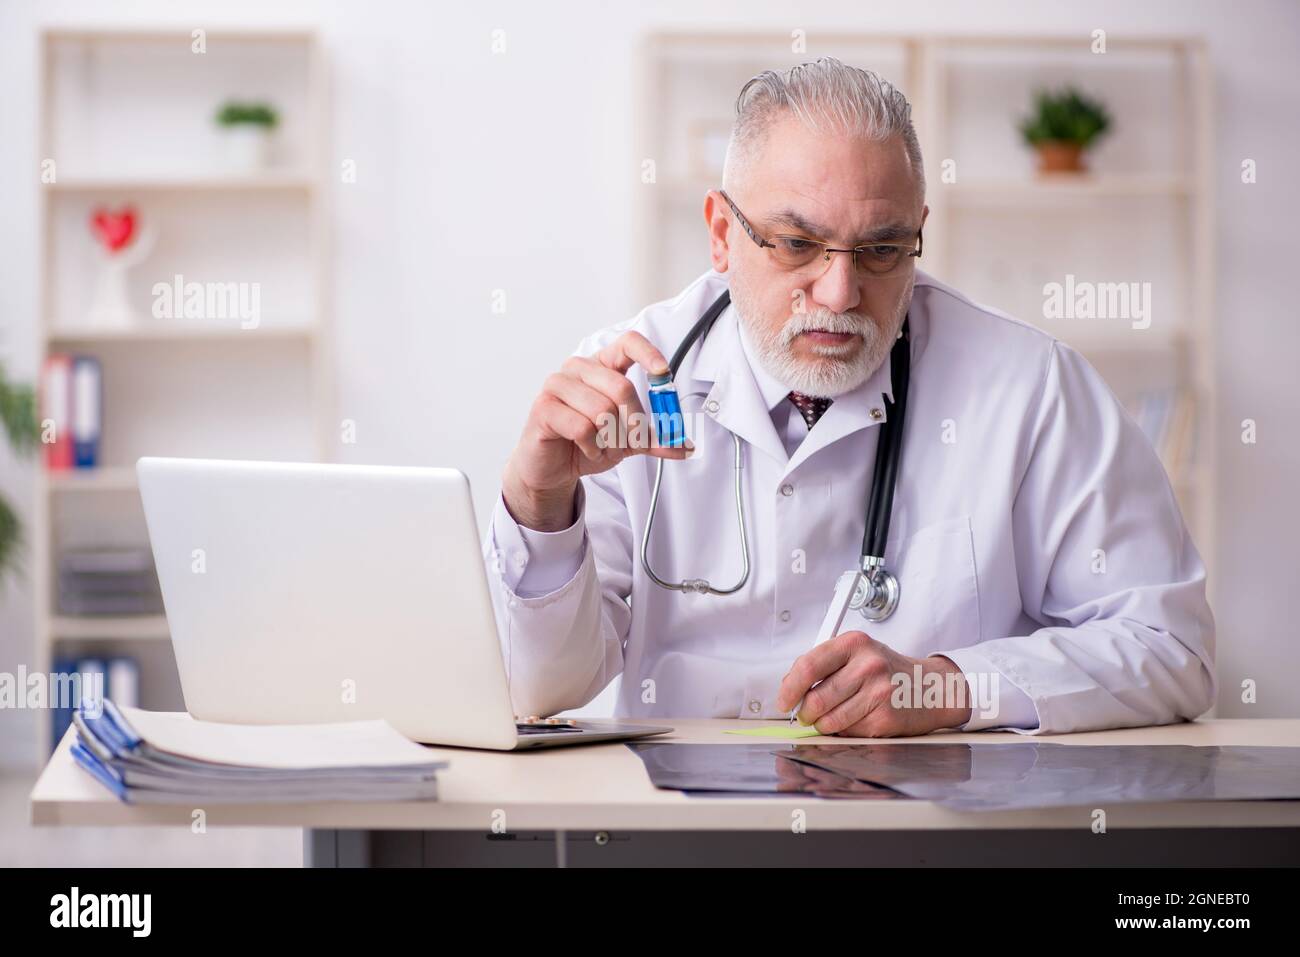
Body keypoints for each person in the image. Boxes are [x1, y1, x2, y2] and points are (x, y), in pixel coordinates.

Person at [481, 57, 1215, 736]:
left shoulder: (1029, 388)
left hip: (927, 827)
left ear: (918, 236)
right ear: (720, 234)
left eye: (881, 250)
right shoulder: (628, 383)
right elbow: (540, 690)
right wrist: (539, 506)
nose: (839, 292)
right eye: (798, 244)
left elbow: (1171, 648)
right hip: (680, 823)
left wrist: (950, 685)